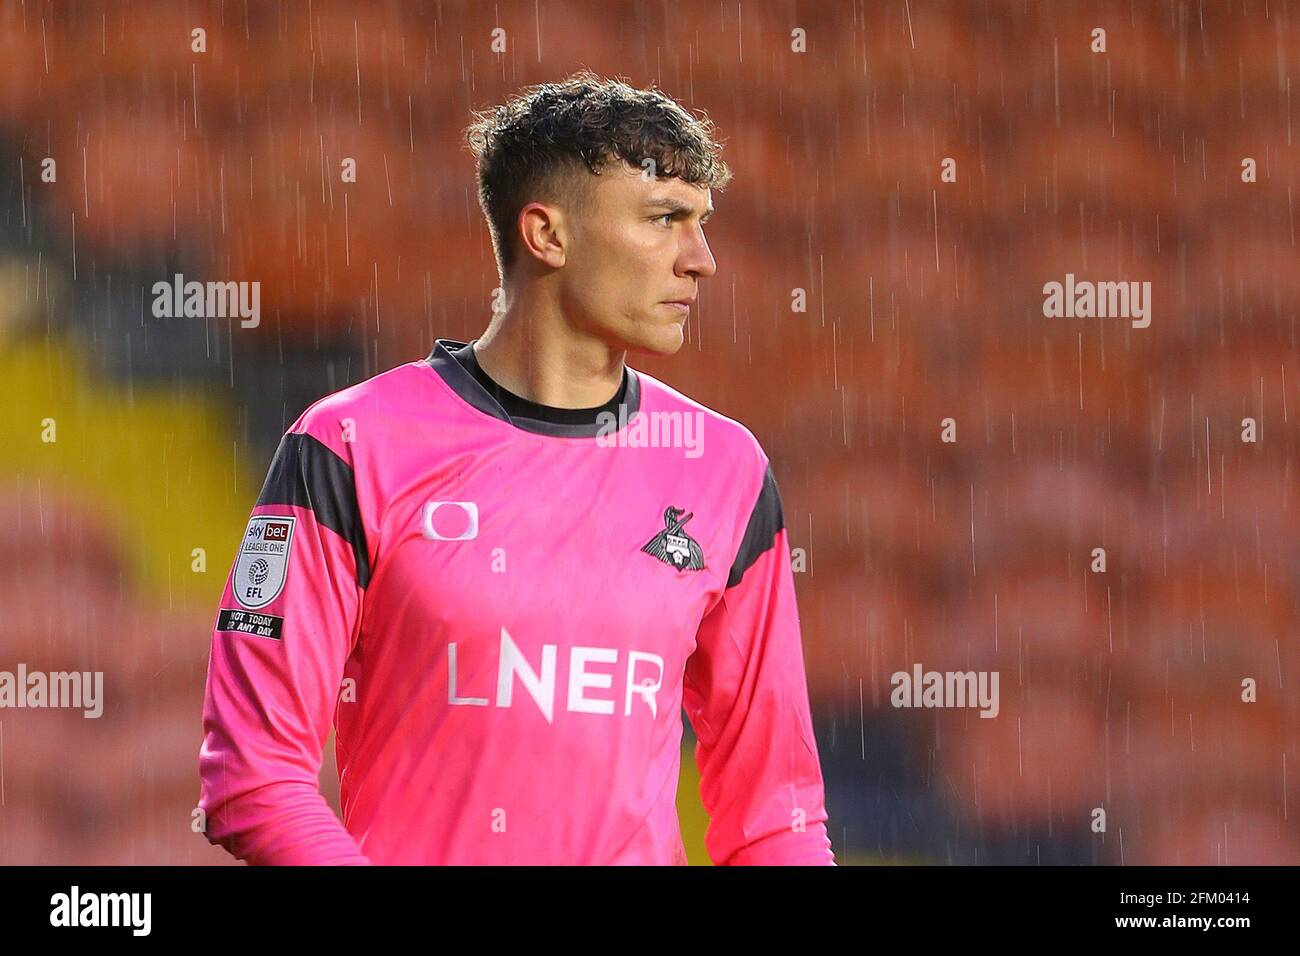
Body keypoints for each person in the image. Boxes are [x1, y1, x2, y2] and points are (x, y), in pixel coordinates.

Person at [198, 70, 835, 865]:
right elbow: (252, 779)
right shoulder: (350, 447)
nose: (700, 260)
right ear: (547, 235)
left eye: (701, 224)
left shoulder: (725, 470)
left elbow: (778, 820)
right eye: (665, 220)